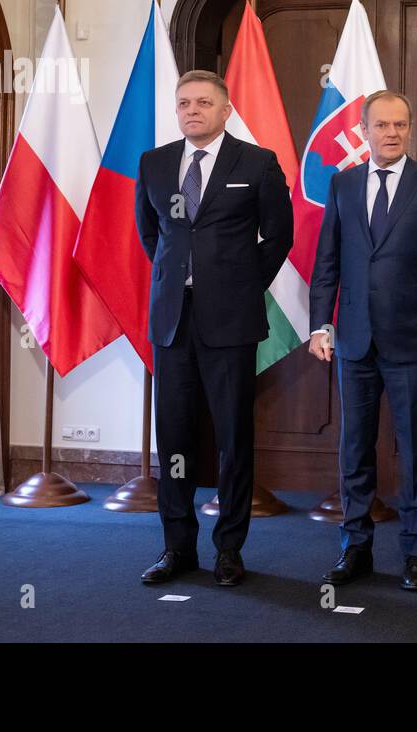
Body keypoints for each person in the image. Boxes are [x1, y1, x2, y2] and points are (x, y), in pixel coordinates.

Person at [135, 70, 293, 587]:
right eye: (184, 104)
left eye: (204, 103)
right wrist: (178, 280)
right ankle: (177, 548)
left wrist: (241, 285)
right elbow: (151, 234)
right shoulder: (155, 163)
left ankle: (230, 550)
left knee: (232, 438)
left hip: (230, 322)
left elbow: (279, 237)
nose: (192, 111)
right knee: (175, 439)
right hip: (172, 323)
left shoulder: (257, 163)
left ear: (225, 110)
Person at [308, 90, 417, 591]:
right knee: (354, 448)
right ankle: (355, 548)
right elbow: (327, 261)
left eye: (399, 125)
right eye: (381, 125)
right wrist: (318, 325)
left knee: (415, 448)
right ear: (365, 131)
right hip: (353, 341)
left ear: (409, 129)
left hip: (416, 343)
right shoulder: (343, 184)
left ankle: (415, 553)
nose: (391, 133)